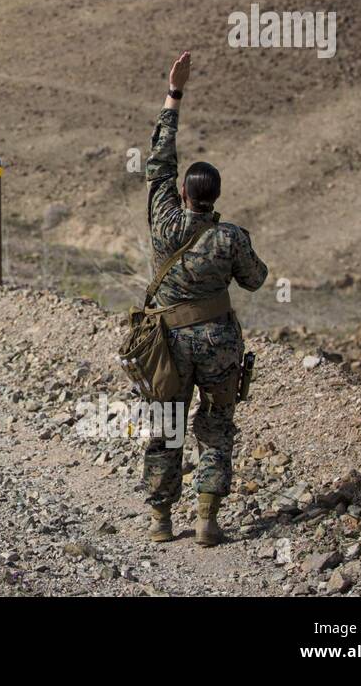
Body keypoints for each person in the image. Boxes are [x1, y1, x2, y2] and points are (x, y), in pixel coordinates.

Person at [143, 50, 267, 546]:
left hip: (166, 344)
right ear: (215, 196)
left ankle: (159, 521)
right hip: (217, 342)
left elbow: (158, 163)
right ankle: (207, 518)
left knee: (167, 426)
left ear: (184, 194)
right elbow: (256, 280)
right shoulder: (230, 237)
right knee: (216, 427)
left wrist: (174, 95)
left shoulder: (163, 222)